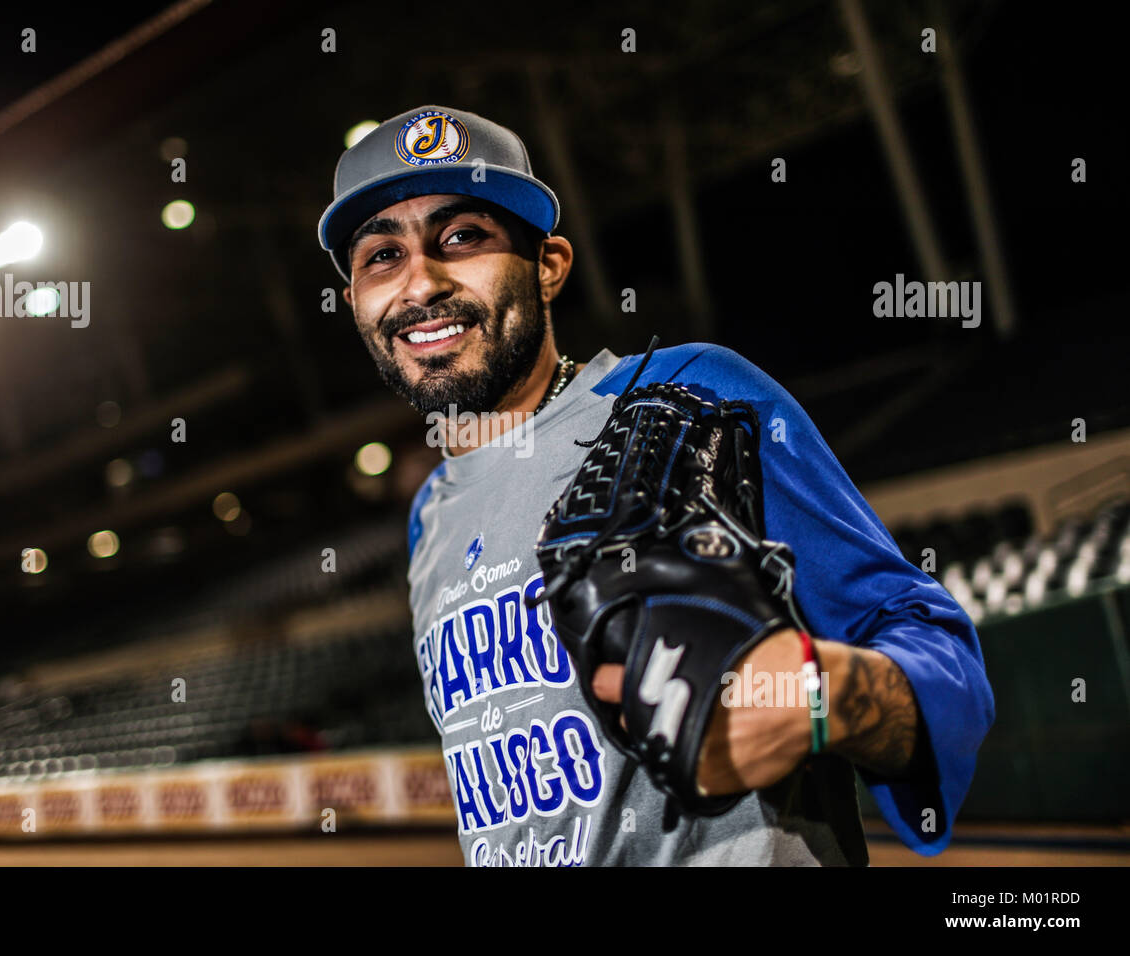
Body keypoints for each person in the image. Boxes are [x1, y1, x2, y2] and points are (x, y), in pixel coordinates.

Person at [317, 105, 994, 866]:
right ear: (355, 304)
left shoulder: (695, 397)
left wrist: (815, 696)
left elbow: (942, 655)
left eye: (463, 236)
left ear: (549, 266)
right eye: (381, 256)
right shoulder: (427, 517)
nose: (421, 283)